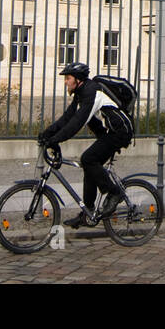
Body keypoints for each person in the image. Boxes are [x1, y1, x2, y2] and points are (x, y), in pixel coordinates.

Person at [38, 61, 133, 228]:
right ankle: (88, 213)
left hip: (121, 132)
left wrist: (56, 140)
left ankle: (114, 193)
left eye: (68, 78)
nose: (66, 82)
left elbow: (77, 122)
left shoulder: (92, 92)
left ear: (78, 79)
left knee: (88, 159)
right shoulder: (81, 93)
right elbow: (67, 117)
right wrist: (47, 134)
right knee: (89, 165)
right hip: (110, 132)